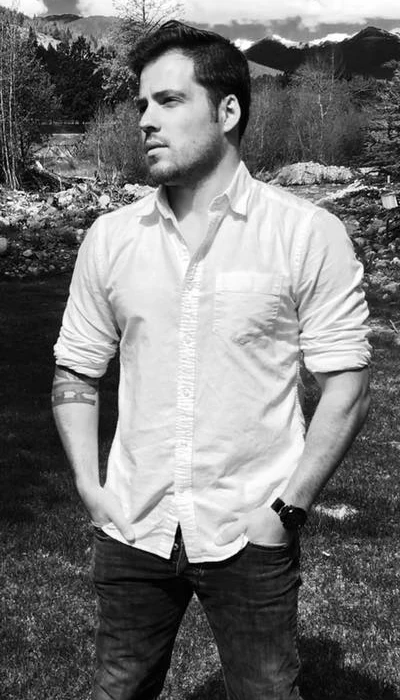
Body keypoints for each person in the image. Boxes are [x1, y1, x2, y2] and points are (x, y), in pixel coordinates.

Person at [52, 20, 371, 700]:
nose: (145, 120)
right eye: (142, 104)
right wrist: (89, 485)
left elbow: (347, 383)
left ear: (227, 112)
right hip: (132, 525)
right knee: (118, 689)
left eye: (169, 101)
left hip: (250, 528)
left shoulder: (305, 234)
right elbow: (76, 368)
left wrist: (285, 511)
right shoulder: (110, 239)